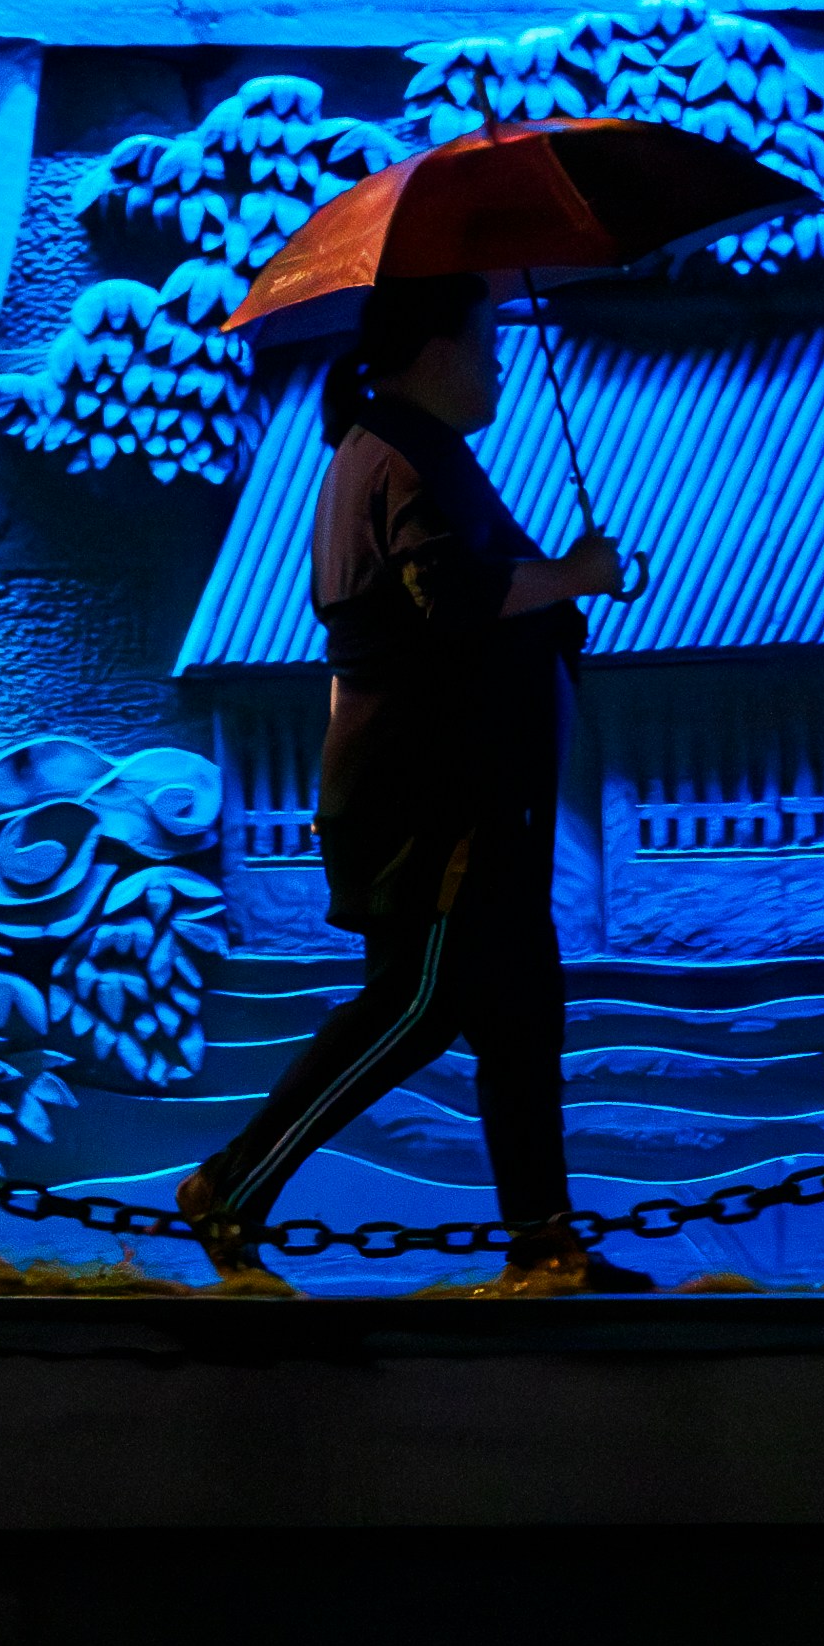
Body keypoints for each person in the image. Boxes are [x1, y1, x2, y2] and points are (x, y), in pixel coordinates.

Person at [175, 276, 641, 1294]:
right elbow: (457, 598)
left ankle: (545, 1241)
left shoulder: (397, 448)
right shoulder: (401, 453)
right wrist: (577, 575)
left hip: (471, 792)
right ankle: (234, 1179)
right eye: (488, 343)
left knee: (520, 1011)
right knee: (420, 998)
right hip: (439, 795)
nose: (502, 366)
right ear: (437, 350)